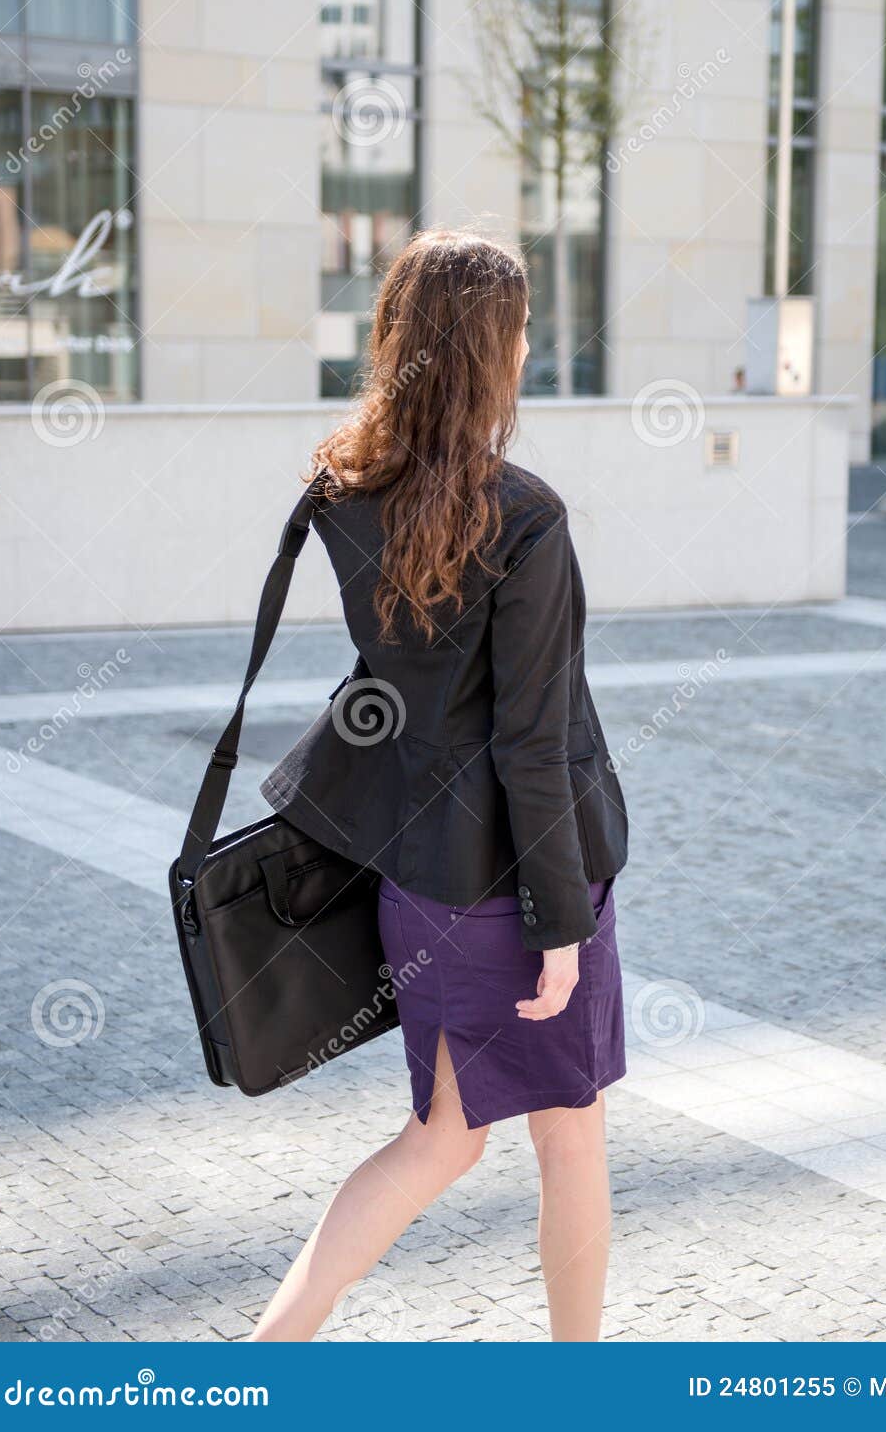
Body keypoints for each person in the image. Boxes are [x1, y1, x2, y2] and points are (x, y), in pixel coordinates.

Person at [251, 230, 628, 1342]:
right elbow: (533, 742)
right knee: (570, 1140)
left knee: (441, 1139)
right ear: (491, 352)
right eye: (516, 334)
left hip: (420, 878)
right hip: (518, 889)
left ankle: (263, 1359)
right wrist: (561, 927)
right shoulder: (527, 518)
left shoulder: (347, 493)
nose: (524, 352)